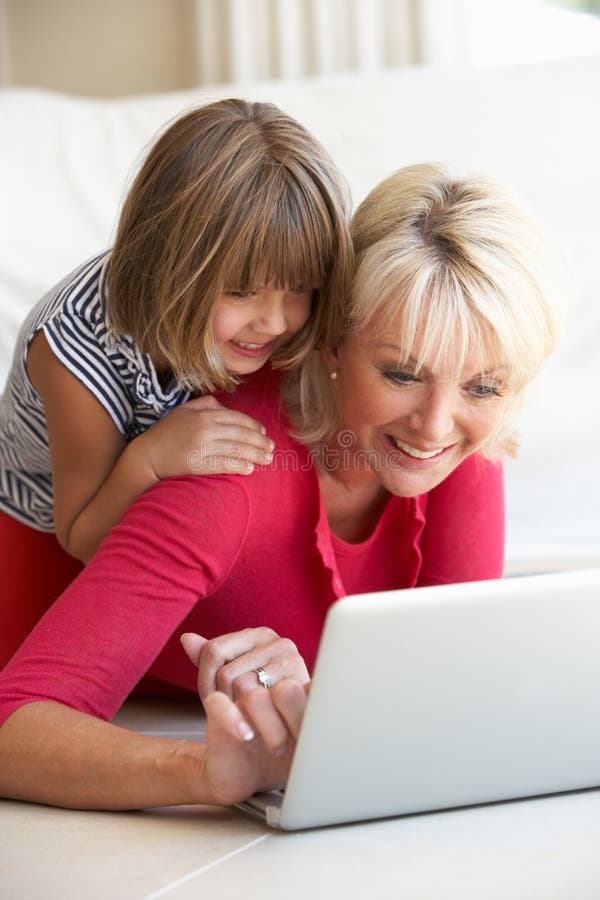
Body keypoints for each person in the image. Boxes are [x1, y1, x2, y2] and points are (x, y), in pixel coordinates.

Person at [0, 162, 559, 810]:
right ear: (330, 342)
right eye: (400, 374)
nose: (435, 425)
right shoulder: (227, 479)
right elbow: (15, 726)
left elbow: (452, 685)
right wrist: (207, 770)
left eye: (484, 386)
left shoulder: (458, 444)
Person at [0, 98, 352, 668]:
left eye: (298, 289)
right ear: (171, 263)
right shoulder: (73, 350)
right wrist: (150, 459)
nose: (274, 320)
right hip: (44, 520)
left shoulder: (261, 333)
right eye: (242, 291)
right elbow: (81, 533)